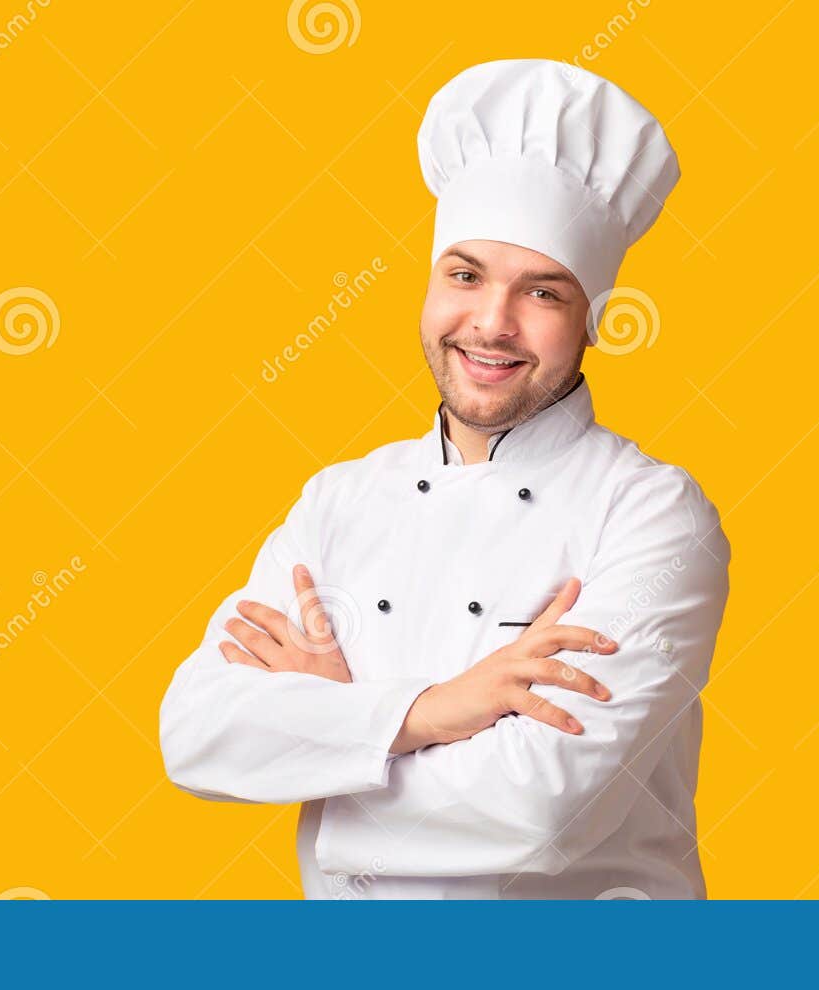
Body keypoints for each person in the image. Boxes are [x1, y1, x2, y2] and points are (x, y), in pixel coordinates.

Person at [159, 58, 730, 899]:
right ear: (430, 284)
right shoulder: (340, 499)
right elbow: (196, 734)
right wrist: (434, 710)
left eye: (542, 292)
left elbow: (540, 815)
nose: (490, 325)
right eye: (464, 276)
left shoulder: (651, 514)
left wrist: (325, 758)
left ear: (594, 321)